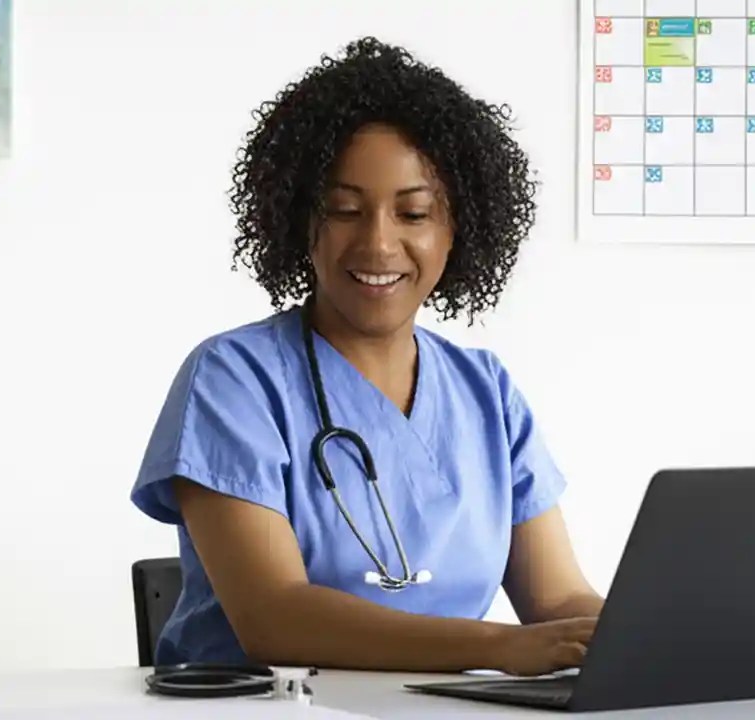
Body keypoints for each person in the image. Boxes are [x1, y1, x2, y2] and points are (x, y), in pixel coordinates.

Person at [131, 36, 603, 677]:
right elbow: (275, 617)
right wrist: (498, 648)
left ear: (455, 228)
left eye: (413, 213)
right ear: (301, 221)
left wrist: (633, 633)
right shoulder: (233, 380)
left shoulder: (485, 391)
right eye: (344, 210)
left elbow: (556, 599)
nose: (379, 244)